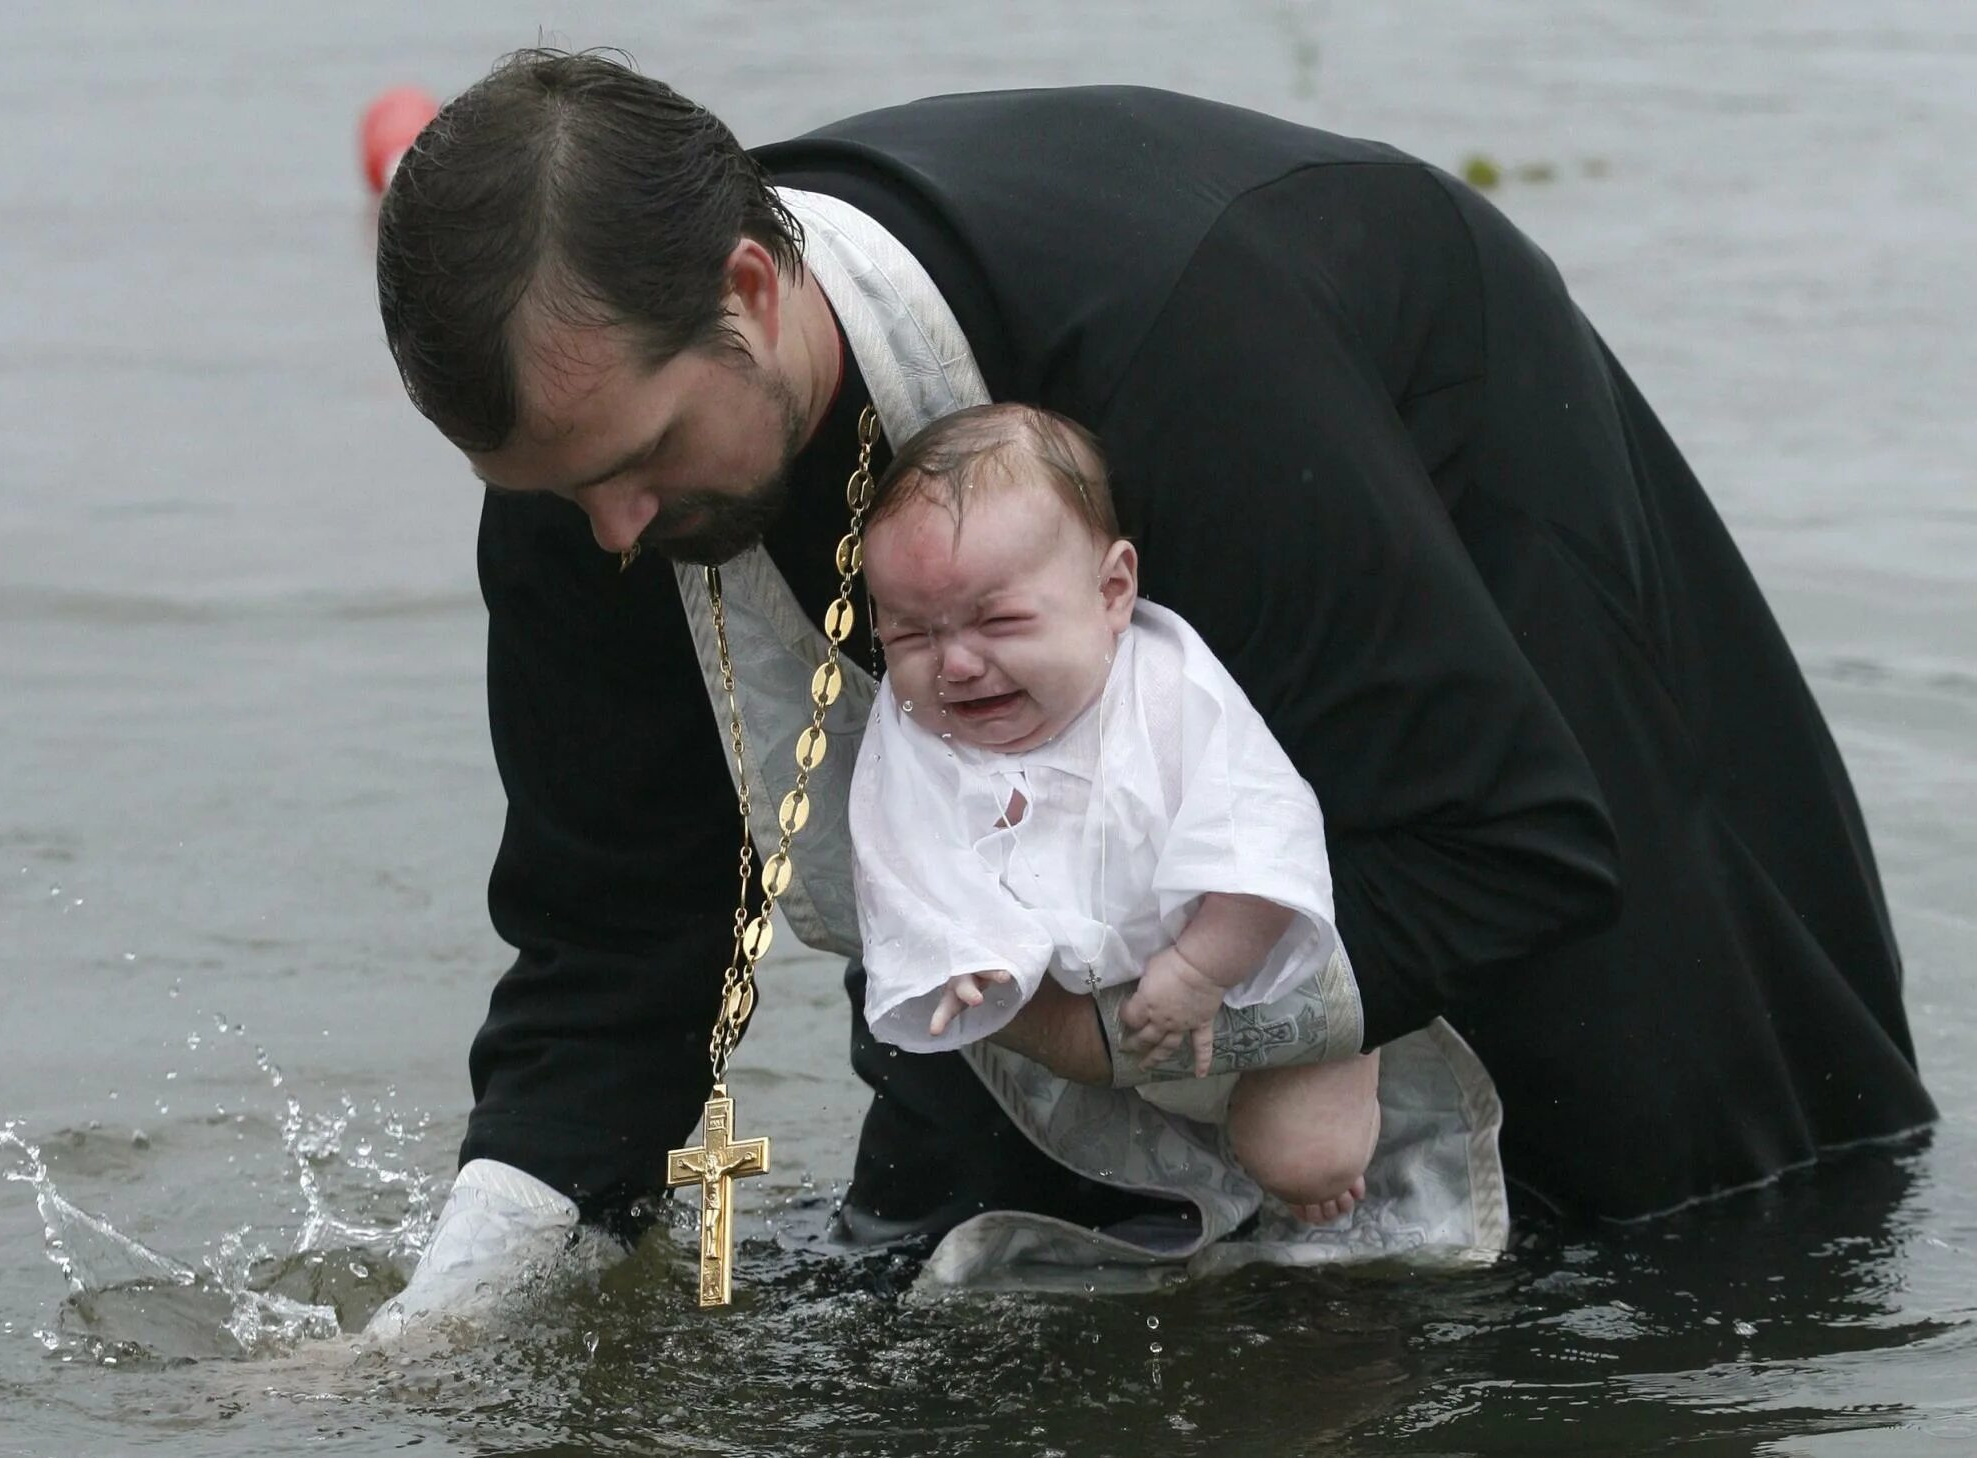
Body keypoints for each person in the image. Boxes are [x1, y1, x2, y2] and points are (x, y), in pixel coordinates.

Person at [366, 49, 1936, 1317]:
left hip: (1410, 451)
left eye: (643, 460)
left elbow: (1506, 839)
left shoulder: (1180, 344)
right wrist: (436, 1327)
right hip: (1077, 740)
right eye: (559, 489)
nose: (614, 533)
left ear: (752, 290)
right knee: (931, 1287)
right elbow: (612, 952)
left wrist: (1120, 1037)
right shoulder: (589, 478)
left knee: (1666, 1229)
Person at [851, 403, 1382, 1223]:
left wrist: (1199, 970)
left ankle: (1359, 1074)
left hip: (1246, 969)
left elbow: (1268, 847)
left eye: (999, 621)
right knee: (1126, 1163)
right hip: (1107, 1001)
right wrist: (963, 947)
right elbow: (902, 855)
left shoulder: (1169, 696)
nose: (955, 663)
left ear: (1112, 592)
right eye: (911, 636)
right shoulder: (915, 730)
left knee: (1304, 1162)